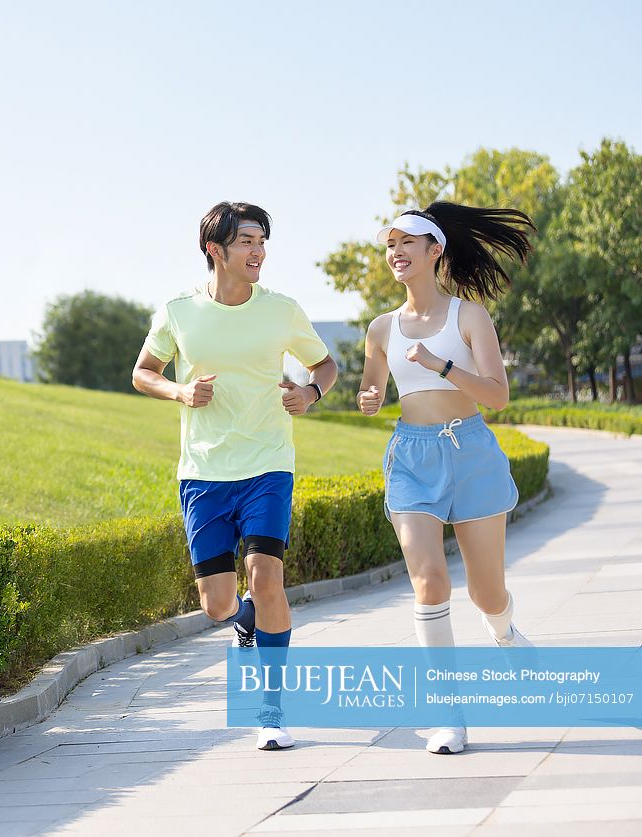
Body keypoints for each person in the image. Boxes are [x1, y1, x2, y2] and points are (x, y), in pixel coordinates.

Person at [133, 201, 337, 751]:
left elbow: (325, 364)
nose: (259, 251)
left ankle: (270, 708)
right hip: (203, 473)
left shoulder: (282, 310)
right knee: (217, 605)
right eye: (247, 241)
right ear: (214, 250)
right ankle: (245, 617)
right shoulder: (178, 312)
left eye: (263, 241)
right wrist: (180, 390)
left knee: (267, 576)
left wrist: (310, 393)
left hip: (268, 463)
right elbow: (143, 373)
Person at [358, 201, 536, 755]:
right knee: (429, 582)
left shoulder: (470, 317)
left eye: (406, 241)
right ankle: (448, 714)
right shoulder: (381, 328)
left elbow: (499, 397)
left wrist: (442, 366)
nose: (395, 251)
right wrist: (369, 397)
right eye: (389, 244)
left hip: (473, 452)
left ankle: (504, 630)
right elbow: (374, 390)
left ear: (435, 250)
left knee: (486, 593)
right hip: (412, 460)